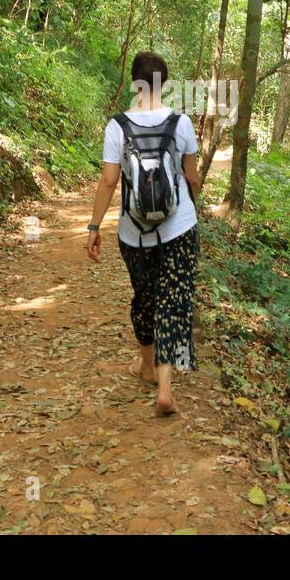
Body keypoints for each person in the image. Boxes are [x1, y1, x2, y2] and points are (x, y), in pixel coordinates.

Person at [86, 51, 202, 416]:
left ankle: (147, 366)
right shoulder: (181, 123)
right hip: (179, 227)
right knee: (174, 300)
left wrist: (93, 227)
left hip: (133, 232)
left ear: (135, 82)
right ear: (165, 84)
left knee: (145, 297)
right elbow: (192, 176)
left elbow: (108, 182)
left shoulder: (117, 125)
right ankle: (165, 388)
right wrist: (189, 206)